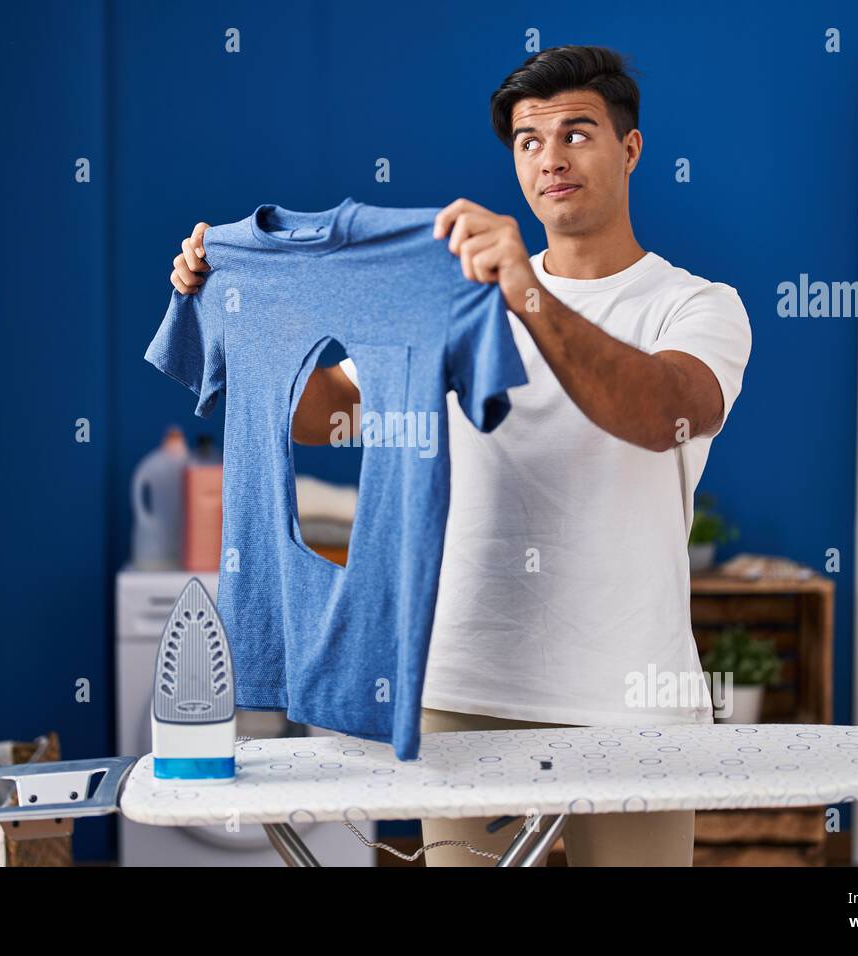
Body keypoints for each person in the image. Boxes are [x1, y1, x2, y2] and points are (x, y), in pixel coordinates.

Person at [168, 45, 751, 866]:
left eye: (577, 133)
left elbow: (663, 413)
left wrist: (528, 293)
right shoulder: (459, 297)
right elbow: (329, 411)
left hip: (630, 694)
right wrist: (231, 316)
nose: (551, 157)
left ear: (631, 149)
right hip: (461, 685)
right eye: (527, 140)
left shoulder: (696, 306)